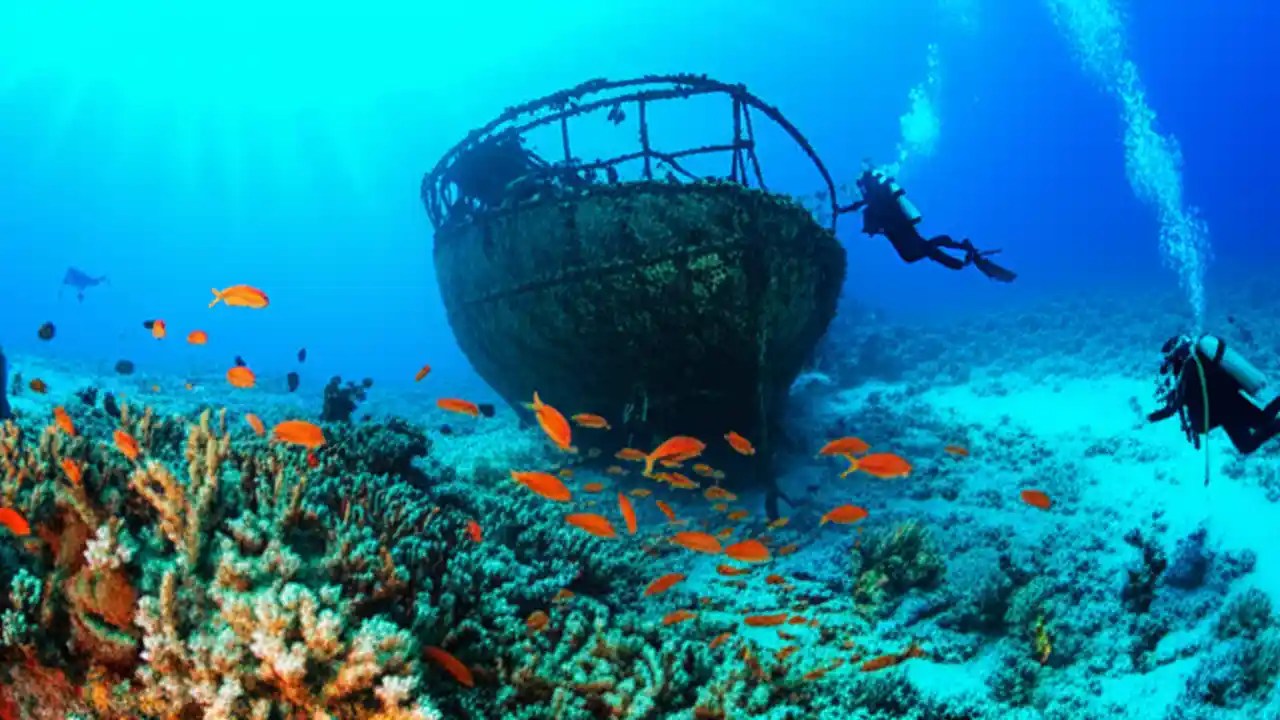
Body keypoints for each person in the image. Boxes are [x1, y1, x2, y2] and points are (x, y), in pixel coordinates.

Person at [844, 167, 1016, 282]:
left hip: (906, 240)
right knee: (926, 250)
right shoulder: (880, 200)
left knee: (924, 251)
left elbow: (869, 221)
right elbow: (867, 213)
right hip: (908, 236)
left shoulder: (875, 202)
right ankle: (967, 252)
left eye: (862, 187)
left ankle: (967, 251)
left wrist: (851, 214)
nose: (861, 190)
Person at [1148, 334, 1280, 455]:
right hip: (1232, 400)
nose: (1169, 366)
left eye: (1169, 361)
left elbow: (1175, 404)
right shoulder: (1197, 363)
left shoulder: (1189, 370)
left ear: (1175, 354)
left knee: (1246, 445)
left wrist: (1152, 417)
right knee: (1264, 421)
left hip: (1225, 411)